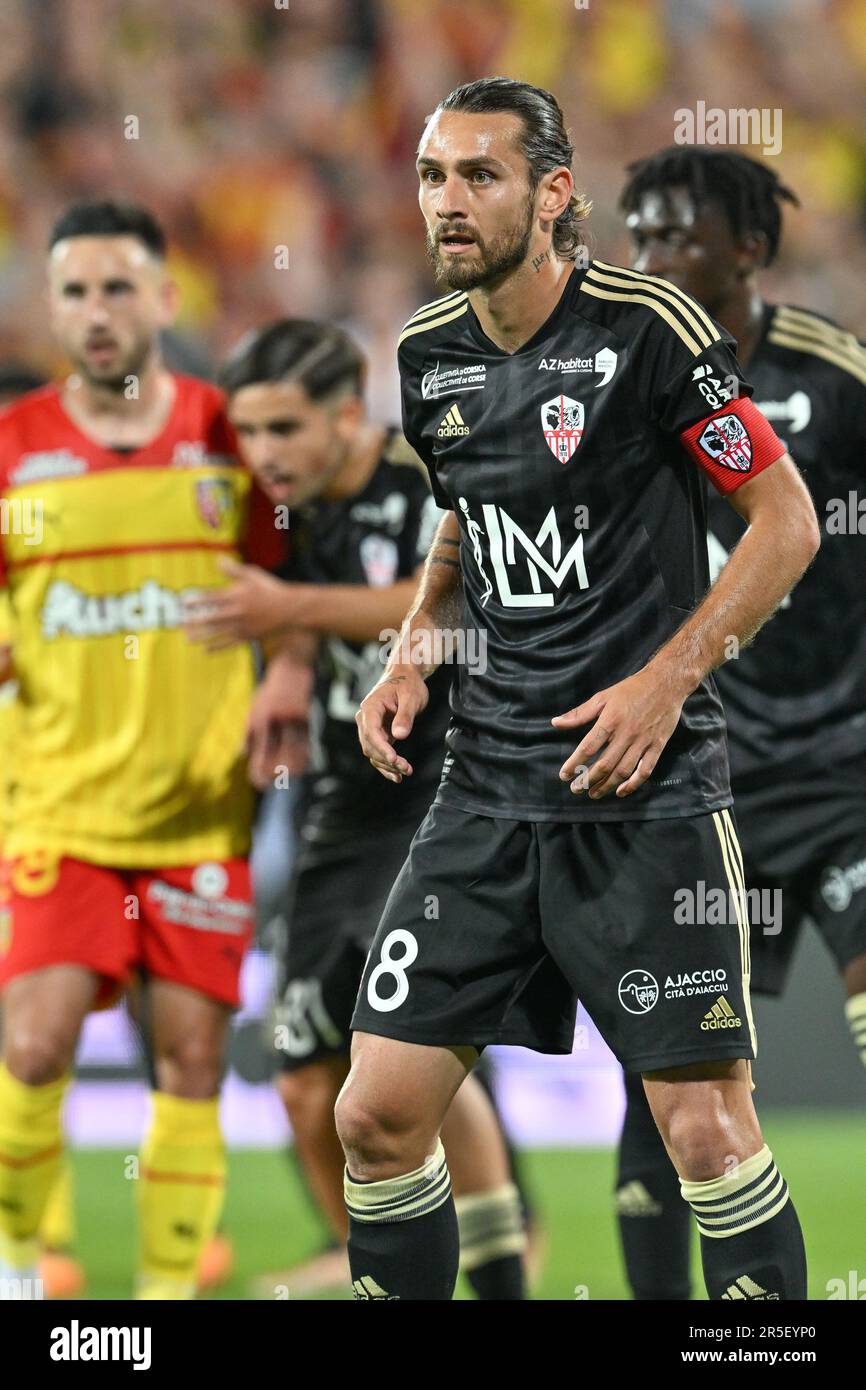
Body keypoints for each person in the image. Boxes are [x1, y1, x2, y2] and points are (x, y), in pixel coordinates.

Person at [336, 76, 820, 1302]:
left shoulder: (649, 329)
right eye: (433, 176)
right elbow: (461, 519)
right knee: (374, 1117)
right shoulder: (424, 352)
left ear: (552, 194)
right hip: (484, 792)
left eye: (479, 177)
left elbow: (784, 523)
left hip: (640, 796)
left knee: (703, 1133)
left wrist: (664, 682)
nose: (447, 203)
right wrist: (412, 648)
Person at [186, 317, 532, 1300]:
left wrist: (286, 621)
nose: (263, 455)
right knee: (301, 1071)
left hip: (443, 790)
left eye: (283, 429)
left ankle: (504, 1274)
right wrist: (286, 672)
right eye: (246, 433)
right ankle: (371, 1259)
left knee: (412, 1051)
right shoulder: (283, 510)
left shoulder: (428, 479)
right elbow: (294, 602)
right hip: (342, 805)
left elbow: (424, 604)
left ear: (347, 414)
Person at [0, 199, 282, 1300]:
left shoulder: (229, 437)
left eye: (119, 288)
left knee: (196, 1062)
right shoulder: (14, 452)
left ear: (167, 299)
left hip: (199, 812)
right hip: (57, 806)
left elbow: (288, 589)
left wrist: (295, 672)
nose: (97, 312)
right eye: (74, 291)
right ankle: (21, 1270)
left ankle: (166, 1300)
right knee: (32, 1046)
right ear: (52, 308)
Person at [612, 146, 866, 1301]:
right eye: (639, 236)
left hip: (847, 764)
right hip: (699, 778)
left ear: (749, 249)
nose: (649, 259)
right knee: (666, 1083)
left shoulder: (836, 375)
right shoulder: (615, 381)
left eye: (675, 237)